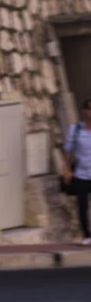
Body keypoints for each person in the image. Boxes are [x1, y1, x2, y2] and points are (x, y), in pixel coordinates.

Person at [63, 98, 91, 244]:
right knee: (82, 206)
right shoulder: (76, 130)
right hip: (81, 174)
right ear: (85, 111)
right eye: (90, 109)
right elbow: (68, 150)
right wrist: (67, 170)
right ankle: (87, 235)